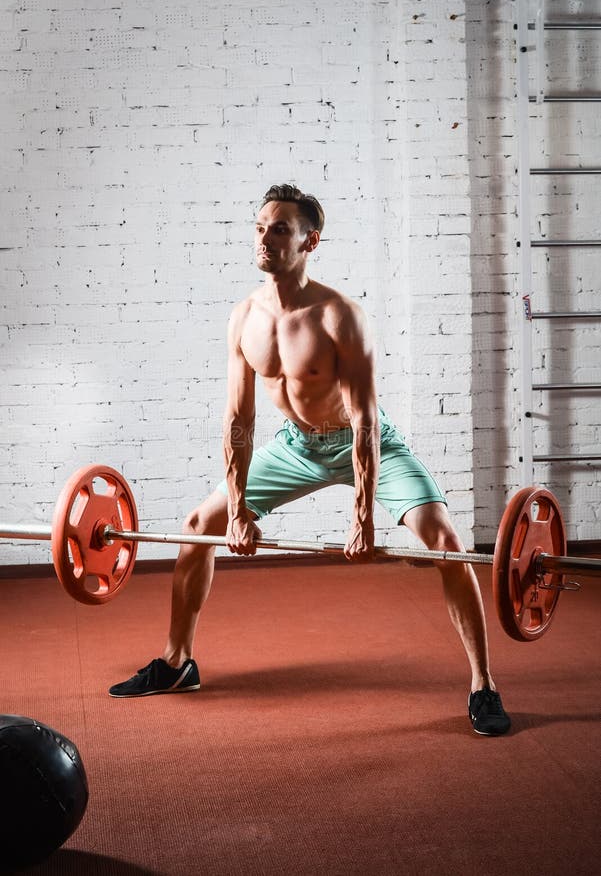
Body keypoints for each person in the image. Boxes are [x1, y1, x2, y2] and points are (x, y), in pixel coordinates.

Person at [109, 184, 510, 737]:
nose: (265, 239)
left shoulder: (340, 316)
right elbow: (238, 421)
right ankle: (178, 663)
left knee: (447, 543)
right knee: (200, 525)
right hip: (296, 446)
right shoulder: (244, 318)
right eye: (260, 227)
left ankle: (483, 684)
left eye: (279, 230)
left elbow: (366, 421)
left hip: (364, 442)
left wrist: (363, 518)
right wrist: (243, 507)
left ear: (309, 242)